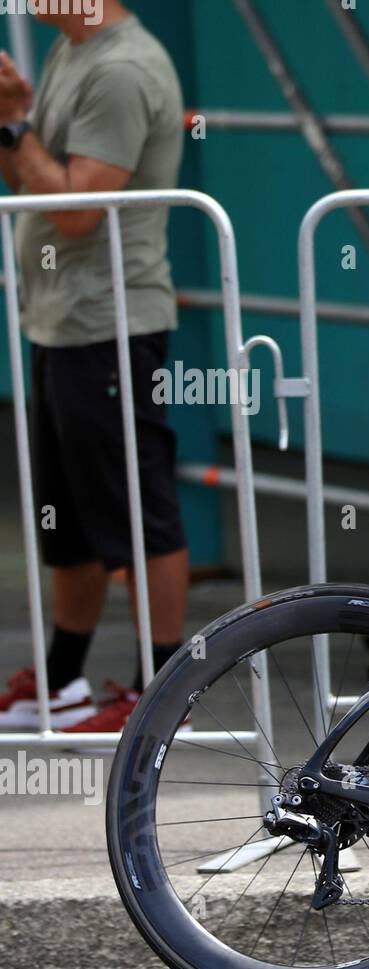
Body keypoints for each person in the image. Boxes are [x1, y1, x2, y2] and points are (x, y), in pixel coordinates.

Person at [0, 2, 187, 734]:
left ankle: (163, 686)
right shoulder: (70, 50)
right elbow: (35, 185)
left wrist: (16, 125)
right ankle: (63, 676)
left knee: (135, 508)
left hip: (111, 324)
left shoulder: (119, 67)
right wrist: (13, 117)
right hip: (63, 321)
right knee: (69, 517)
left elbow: (78, 208)